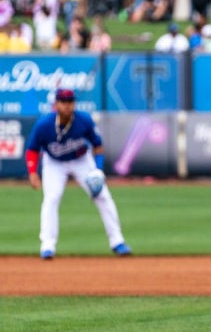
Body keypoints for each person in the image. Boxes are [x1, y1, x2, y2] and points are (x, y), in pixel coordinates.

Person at [24, 88, 131, 260]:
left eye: (70, 102)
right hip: (54, 163)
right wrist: (32, 172)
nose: (67, 105)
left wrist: (97, 169)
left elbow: (98, 145)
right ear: (56, 104)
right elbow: (32, 149)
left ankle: (117, 241)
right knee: (51, 198)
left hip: (81, 160)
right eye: (64, 102)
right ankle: (47, 245)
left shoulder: (84, 120)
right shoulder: (44, 124)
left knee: (102, 195)